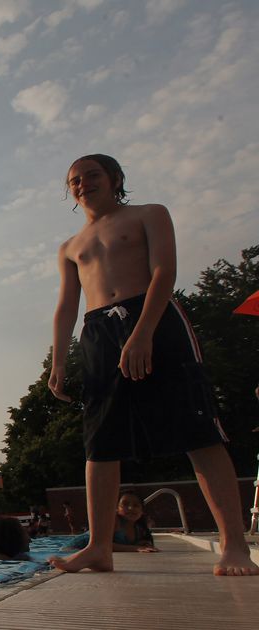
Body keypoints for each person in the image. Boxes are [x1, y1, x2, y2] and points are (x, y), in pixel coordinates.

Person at [46, 154, 258, 577]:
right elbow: (67, 306)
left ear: (115, 179)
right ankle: (98, 547)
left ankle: (234, 545)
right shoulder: (70, 247)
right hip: (98, 330)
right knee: (99, 442)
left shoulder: (149, 214)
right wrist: (58, 362)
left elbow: (165, 272)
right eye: (74, 180)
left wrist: (143, 332)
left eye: (92, 175)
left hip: (153, 315)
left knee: (197, 430)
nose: (83, 184)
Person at [65, 491, 157, 553]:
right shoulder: (114, 521)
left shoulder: (139, 528)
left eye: (136, 505)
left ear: (142, 511)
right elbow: (103, 545)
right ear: (117, 509)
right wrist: (136, 548)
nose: (130, 508)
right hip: (74, 548)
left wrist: (142, 544)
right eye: (125, 504)